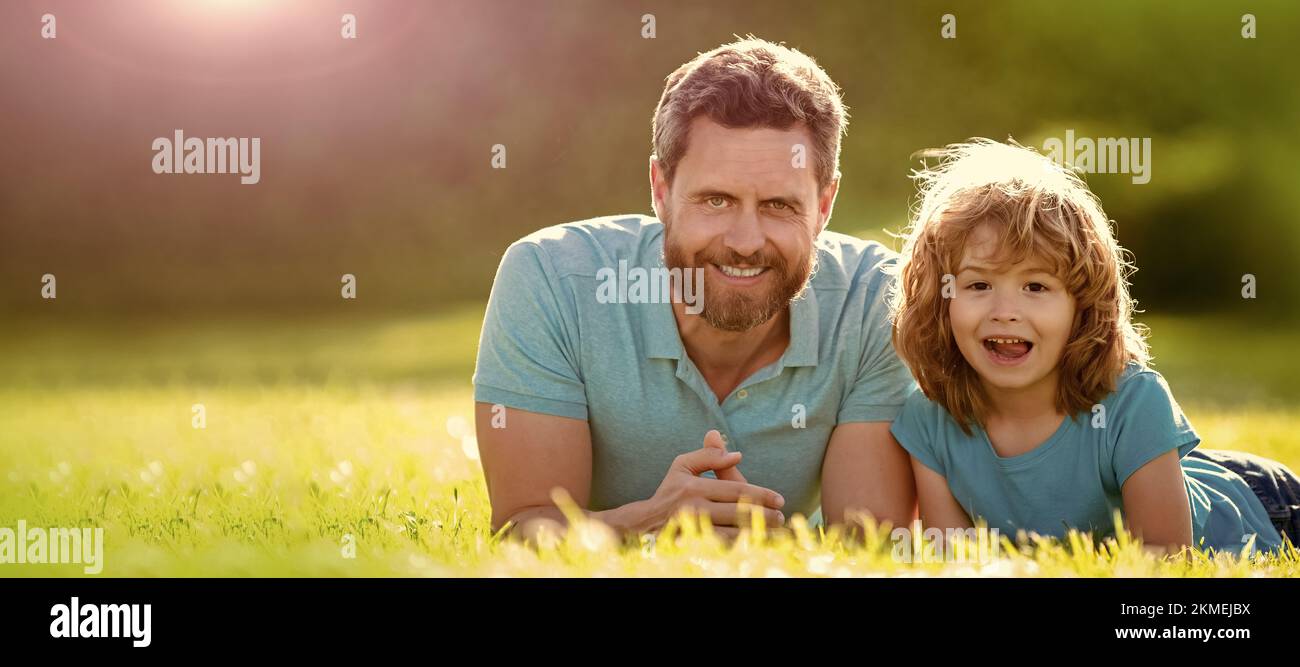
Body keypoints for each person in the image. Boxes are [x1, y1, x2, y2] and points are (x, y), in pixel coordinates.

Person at [472, 37, 918, 542]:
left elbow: (870, 545)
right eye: (716, 200)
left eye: (778, 205)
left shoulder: (877, 300)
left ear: (825, 204)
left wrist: (762, 549)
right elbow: (520, 531)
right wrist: (648, 524)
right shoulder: (552, 279)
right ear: (660, 190)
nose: (746, 243)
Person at [887, 138, 1300, 554]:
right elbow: (957, 560)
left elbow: (1165, 554)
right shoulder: (929, 419)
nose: (1005, 311)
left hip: (1269, 506)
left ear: (1080, 307)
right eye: (978, 285)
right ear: (940, 301)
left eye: (1036, 286)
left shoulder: (1133, 400)